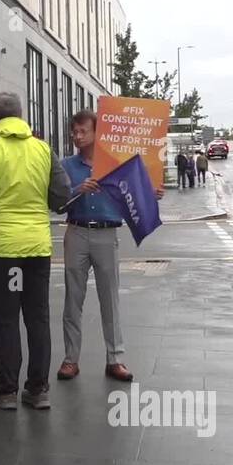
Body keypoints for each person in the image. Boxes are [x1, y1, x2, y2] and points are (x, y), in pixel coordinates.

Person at [0, 93, 70, 410]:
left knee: (6, 319)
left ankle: (7, 390)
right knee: (38, 318)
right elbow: (61, 197)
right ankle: (38, 389)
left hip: (2, 251)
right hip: (37, 248)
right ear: (21, 116)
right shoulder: (42, 148)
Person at [57, 110, 164, 384]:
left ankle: (115, 358)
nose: (77, 136)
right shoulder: (66, 165)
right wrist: (77, 190)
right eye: (74, 131)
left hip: (107, 234)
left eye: (83, 131)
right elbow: (56, 204)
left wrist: (152, 194)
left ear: (97, 133)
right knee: (73, 299)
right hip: (77, 231)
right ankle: (71, 359)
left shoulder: (117, 164)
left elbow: (137, 193)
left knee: (110, 299)